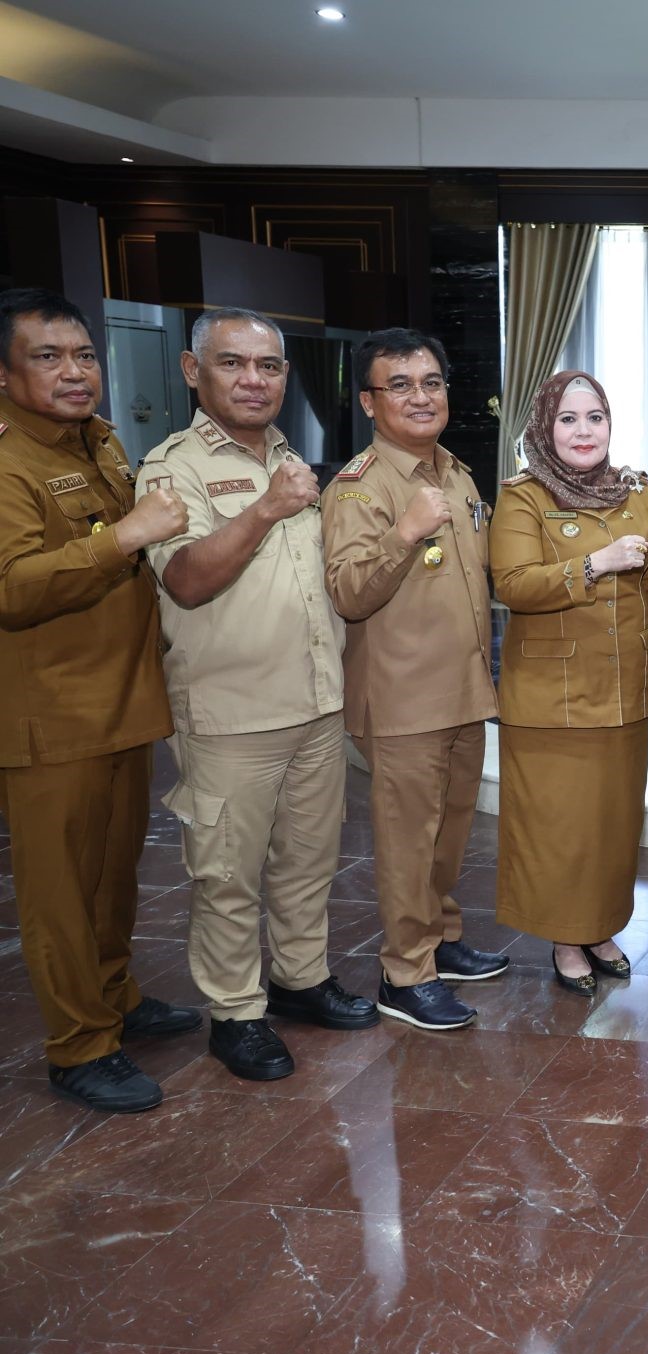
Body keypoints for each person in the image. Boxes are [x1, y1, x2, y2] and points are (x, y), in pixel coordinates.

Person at [139, 308, 374, 1082]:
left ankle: (300, 979)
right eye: (233, 363)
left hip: (314, 703)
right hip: (231, 714)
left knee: (310, 861)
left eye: (268, 366)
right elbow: (187, 578)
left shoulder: (288, 454)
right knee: (228, 873)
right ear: (191, 371)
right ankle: (236, 1012)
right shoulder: (173, 468)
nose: (253, 379)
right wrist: (269, 506)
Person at [0, 287, 195, 1112]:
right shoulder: (10, 461)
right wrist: (123, 535)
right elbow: (11, 587)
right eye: (48, 357)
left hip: (122, 701)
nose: (75, 373)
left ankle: (113, 999)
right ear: (7, 372)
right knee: (61, 893)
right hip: (53, 718)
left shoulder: (99, 442)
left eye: (83, 355)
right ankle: (78, 1044)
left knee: (115, 875)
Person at [321, 328, 506, 1030]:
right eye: (399, 385)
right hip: (399, 697)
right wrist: (403, 535)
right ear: (370, 401)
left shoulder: (454, 473)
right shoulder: (361, 486)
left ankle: (442, 938)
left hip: (461, 687)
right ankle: (405, 972)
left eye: (431, 381)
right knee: (407, 840)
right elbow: (347, 593)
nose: (420, 396)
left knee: (450, 831)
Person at [492, 371, 648, 995]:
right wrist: (595, 563)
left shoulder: (638, 495)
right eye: (567, 419)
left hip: (625, 691)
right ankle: (565, 939)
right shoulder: (523, 497)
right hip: (551, 698)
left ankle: (600, 928)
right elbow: (513, 584)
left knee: (612, 824)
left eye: (594, 417)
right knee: (558, 829)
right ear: (545, 426)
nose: (582, 431)